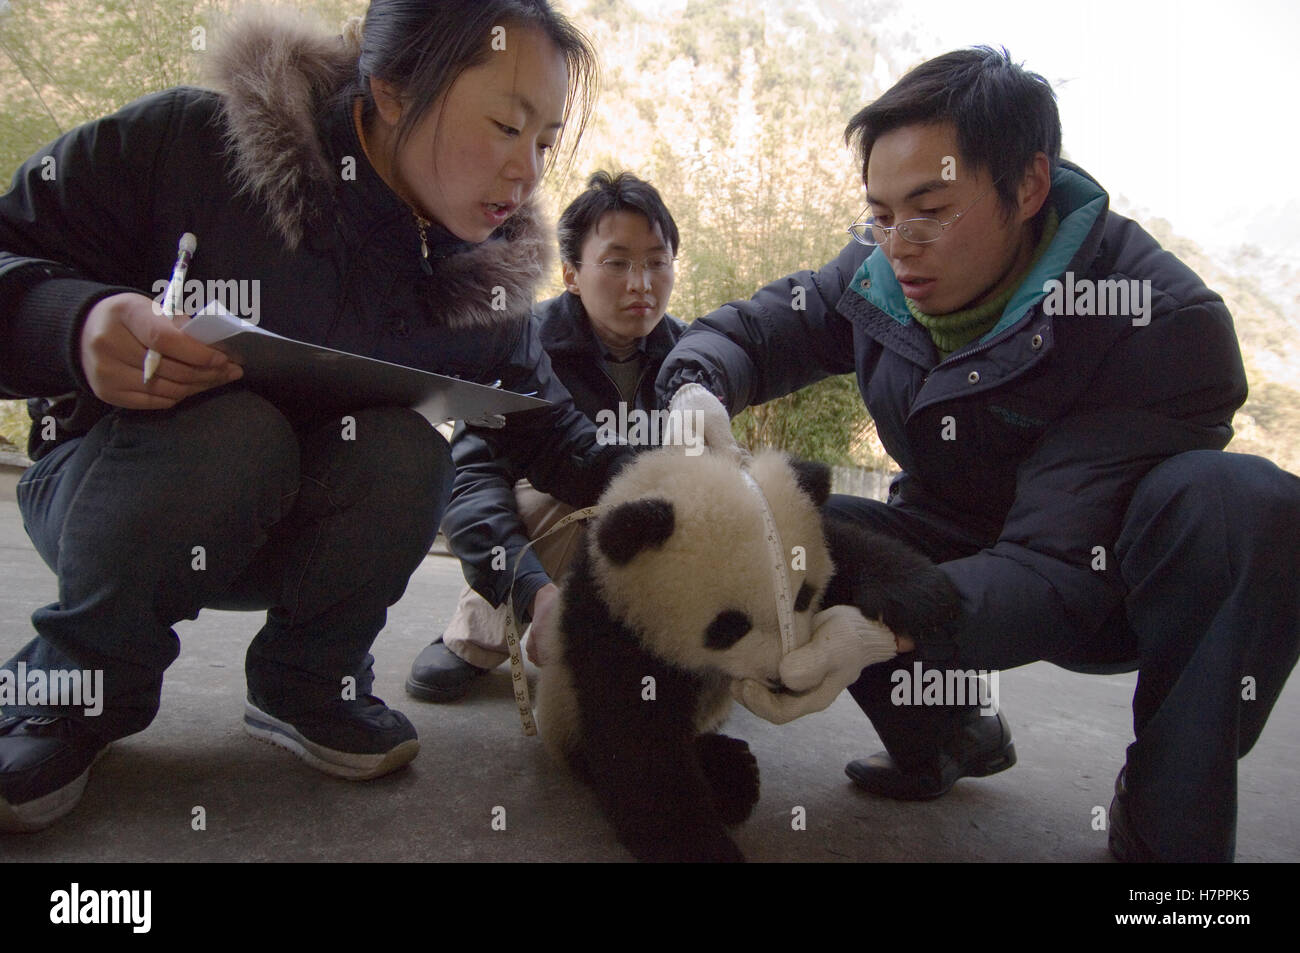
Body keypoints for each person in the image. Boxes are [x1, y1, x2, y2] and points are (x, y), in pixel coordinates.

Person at [657, 47, 1300, 862]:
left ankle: (1167, 826)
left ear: (1028, 186)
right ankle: (948, 729)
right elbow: (751, 331)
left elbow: (1054, 569)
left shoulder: (1156, 319)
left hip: (1106, 584)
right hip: (949, 541)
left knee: (1242, 507)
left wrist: (875, 627)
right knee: (794, 524)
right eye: (881, 214)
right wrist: (695, 390)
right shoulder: (875, 276)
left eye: (929, 209)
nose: (898, 245)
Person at [0, 1, 629, 832]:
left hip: (287, 533)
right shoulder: (192, 146)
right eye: (508, 127)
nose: (528, 174)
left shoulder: (485, 289)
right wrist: (75, 326)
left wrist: (687, 495)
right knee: (239, 435)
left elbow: (560, 440)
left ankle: (309, 681)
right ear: (395, 90)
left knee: (410, 454)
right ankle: (67, 686)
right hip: (108, 496)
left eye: (545, 143)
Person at [407, 171, 686, 701]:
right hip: (553, 527)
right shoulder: (520, 345)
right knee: (554, 498)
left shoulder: (692, 358)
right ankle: (482, 635)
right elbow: (473, 482)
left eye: (656, 261)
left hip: (645, 534)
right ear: (571, 274)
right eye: (618, 262)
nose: (641, 284)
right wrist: (530, 588)